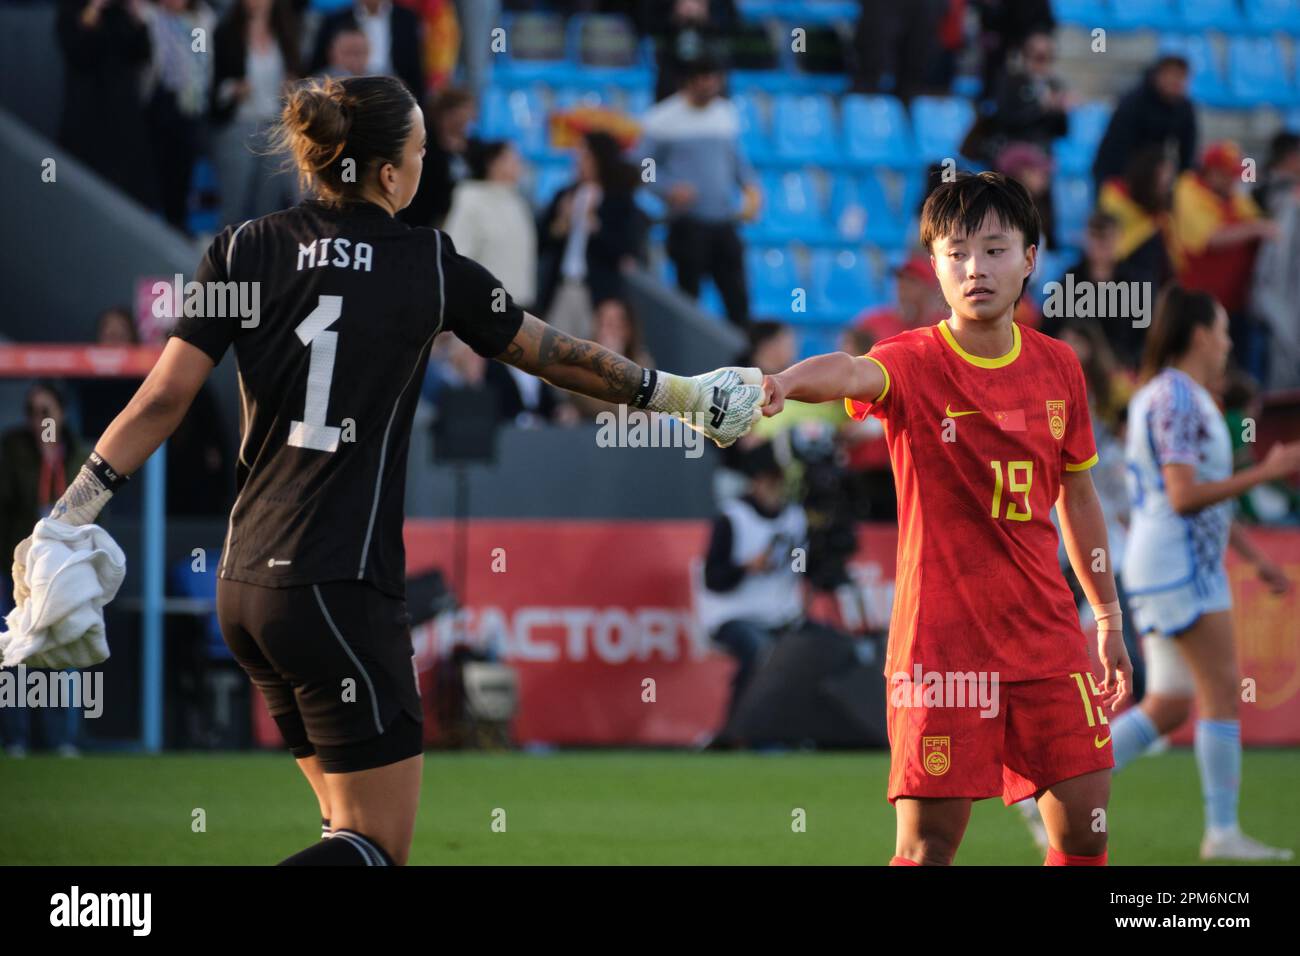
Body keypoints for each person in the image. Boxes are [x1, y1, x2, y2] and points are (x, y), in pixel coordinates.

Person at [8, 74, 764, 866]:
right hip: (339, 586)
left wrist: (67, 513)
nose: (424, 167)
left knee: (342, 837)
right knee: (374, 850)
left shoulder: (241, 248)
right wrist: (678, 395)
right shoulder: (428, 264)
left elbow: (161, 399)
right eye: (419, 153)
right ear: (390, 174)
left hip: (246, 590)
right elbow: (555, 357)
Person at [759, 172, 1132, 865]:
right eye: (956, 252)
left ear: (1030, 257)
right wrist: (781, 384)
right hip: (942, 649)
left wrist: (1105, 617)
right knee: (929, 848)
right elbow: (847, 372)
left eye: (993, 250)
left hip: (1048, 640)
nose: (974, 269)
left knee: (1085, 833)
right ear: (935, 264)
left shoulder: (1060, 369)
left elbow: (1076, 495)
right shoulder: (913, 360)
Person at [1114, 285, 1300, 861]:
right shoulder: (1178, 399)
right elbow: (1186, 493)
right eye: (1221, 329)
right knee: (1222, 691)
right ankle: (1222, 833)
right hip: (1180, 567)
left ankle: (1050, 783)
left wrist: (1257, 558)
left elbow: (1202, 499)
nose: (1226, 341)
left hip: (1172, 562)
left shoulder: (1175, 395)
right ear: (1198, 335)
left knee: (1169, 705)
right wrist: (1265, 471)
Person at [0, 382, 93, 758]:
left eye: (46, 410)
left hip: (63, 571)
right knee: (14, 653)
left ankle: (61, 740)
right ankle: (16, 738)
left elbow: (93, 508)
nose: (40, 419)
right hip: (17, 567)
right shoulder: (12, 451)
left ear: (63, 413)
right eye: (33, 412)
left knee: (62, 653)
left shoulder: (80, 454)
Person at [697, 441, 807, 739]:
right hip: (733, 613)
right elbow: (713, 579)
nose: (777, 488)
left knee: (812, 650)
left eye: (781, 480)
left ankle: (793, 733)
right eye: (771, 480)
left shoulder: (795, 517)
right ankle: (738, 732)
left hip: (778, 614)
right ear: (756, 481)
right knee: (762, 652)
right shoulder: (732, 517)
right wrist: (746, 567)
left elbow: (803, 571)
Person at [641, 56, 760, 328]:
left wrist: (751, 188)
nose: (710, 85)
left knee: (738, 299)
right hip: (687, 225)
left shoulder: (725, 113)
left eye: (714, 78)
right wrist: (667, 189)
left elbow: (736, 161)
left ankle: (745, 362)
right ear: (689, 81)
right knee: (688, 300)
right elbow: (642, 166)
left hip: (723, 222)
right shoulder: (662, 118)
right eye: (704, 78)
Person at [1170, 141, 1278, 383]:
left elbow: (1257, 220)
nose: (1234, 181)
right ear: (1213, 173)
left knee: (1239, 377)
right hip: (1200, 306)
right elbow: (1211, 237)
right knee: (1203, 371)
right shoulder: (1188, 190)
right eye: (1229, 175)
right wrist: (1257, 228)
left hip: (1237, 303)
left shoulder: (1230, 195)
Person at [536, 131, 643, 341]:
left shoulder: (618, 199)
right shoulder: (565, 195)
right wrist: (560, 225)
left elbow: (626, 248)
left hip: (598, 292)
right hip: (562, 287)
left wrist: (596, 228)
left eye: (585, 156)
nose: (579, 161)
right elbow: (541, 242)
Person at [210, 0, 303, 229]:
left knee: (268, 206)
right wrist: (234, 89)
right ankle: (225, 257)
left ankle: (260, 259)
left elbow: (300, 77)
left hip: (275, 127)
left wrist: (291, 88)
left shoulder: (286, 34)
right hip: (239, 124)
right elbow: (211, 89)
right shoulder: (225, 33)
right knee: (235, 202)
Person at [443, 140, 536, 311]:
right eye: (512, 158)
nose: (519, 163)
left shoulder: (517, 201)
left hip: (517, 303)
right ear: (493, 163)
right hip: (489, 303)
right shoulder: (471, 198)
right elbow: (455, 253)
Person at [1092, 54, 1196, 190]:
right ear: (1158, 75)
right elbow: (1117, 148)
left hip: (1152, 175)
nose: (1176, 82)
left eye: (1181, 77)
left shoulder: (1184, 108)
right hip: (1118, 173)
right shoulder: (1133, 104)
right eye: (1172, 75)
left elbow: (1187, 151)